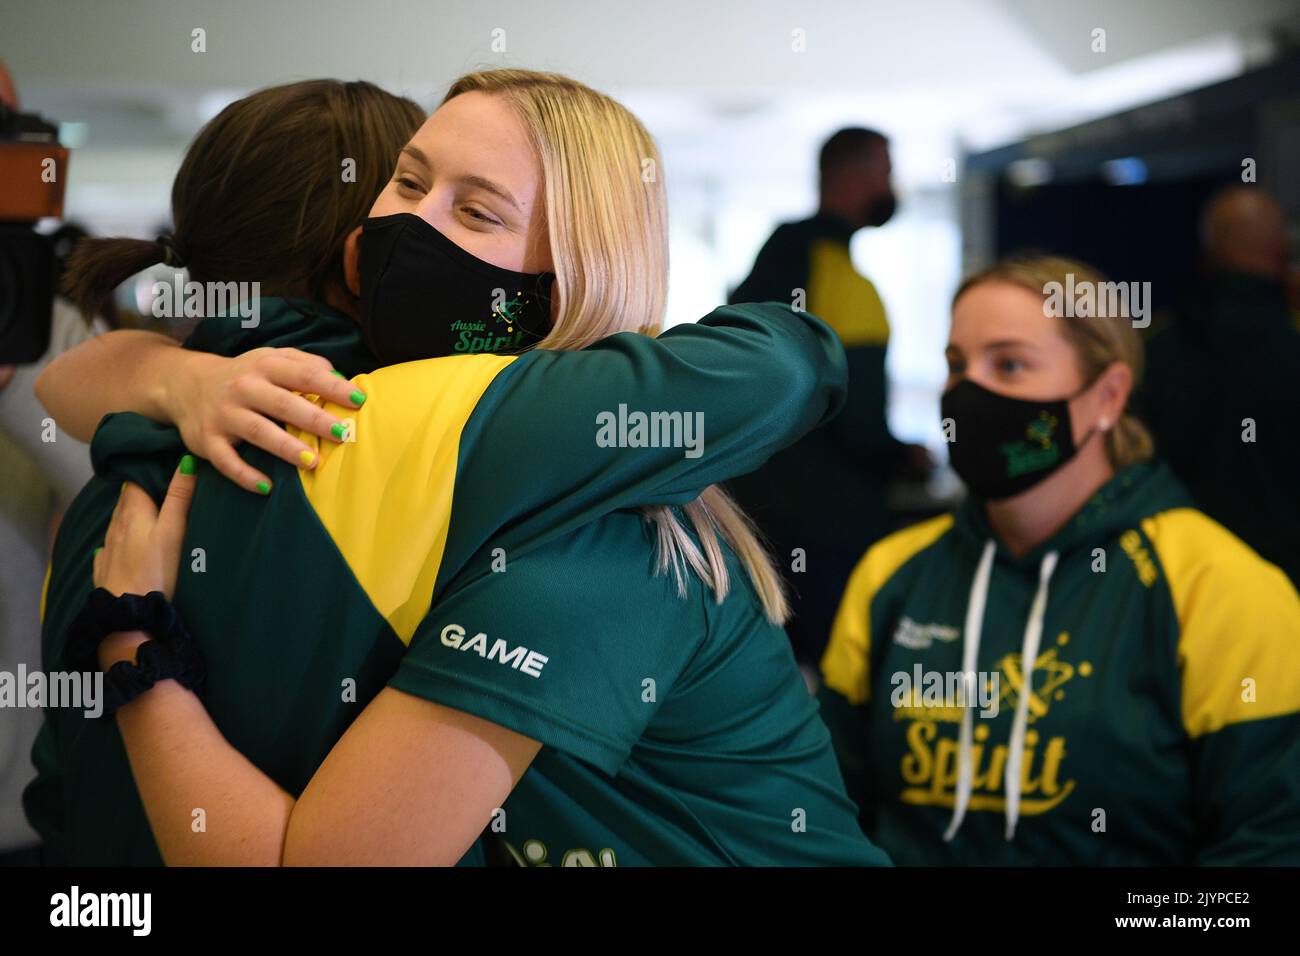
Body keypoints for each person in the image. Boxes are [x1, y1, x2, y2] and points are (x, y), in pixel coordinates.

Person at [34, 69, 885, 866]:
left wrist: (134, 646)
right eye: (406, 184)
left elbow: (786, 363)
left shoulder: (525, 472)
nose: (413, 226)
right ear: (349, 246)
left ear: (566, 282)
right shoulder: (336, 430)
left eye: (477, 212)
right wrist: (178, 376)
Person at [819, 255, 1300, 865]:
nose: (968, 393)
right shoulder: (891, 574)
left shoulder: (1220, 588)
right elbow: (828, 811)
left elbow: (1272, 850)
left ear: (1107, 394)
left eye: (1010, 364)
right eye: (956, 365)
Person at [727, 127, 926, 672]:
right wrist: (904, 456)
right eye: (886, 170)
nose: (892, 185)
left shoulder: (781, 257)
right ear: (858, 174)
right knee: (834, 675)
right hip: (828, 524)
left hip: (762, 515)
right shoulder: (837, 278)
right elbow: (858, 428)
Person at [1141, 186, 1300, 589]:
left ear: (1207, 252)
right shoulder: (1290, 346)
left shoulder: (1152, 353)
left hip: (1180, 582)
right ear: (1282, 254)